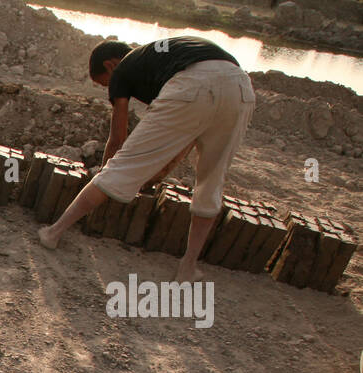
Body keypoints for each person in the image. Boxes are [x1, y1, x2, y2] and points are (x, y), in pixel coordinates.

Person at [38, 36, 256, 282]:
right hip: (241, 88)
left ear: (110, 65)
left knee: (121, 166)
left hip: (194, 84)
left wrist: (108, 173)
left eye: (105, 84)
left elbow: (118, 137)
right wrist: (159, 173)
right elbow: (186, 137)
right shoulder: (161, 59)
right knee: (211, 181)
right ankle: (187, 268)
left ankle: (53, 233)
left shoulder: (123, 69)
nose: (110, 90)